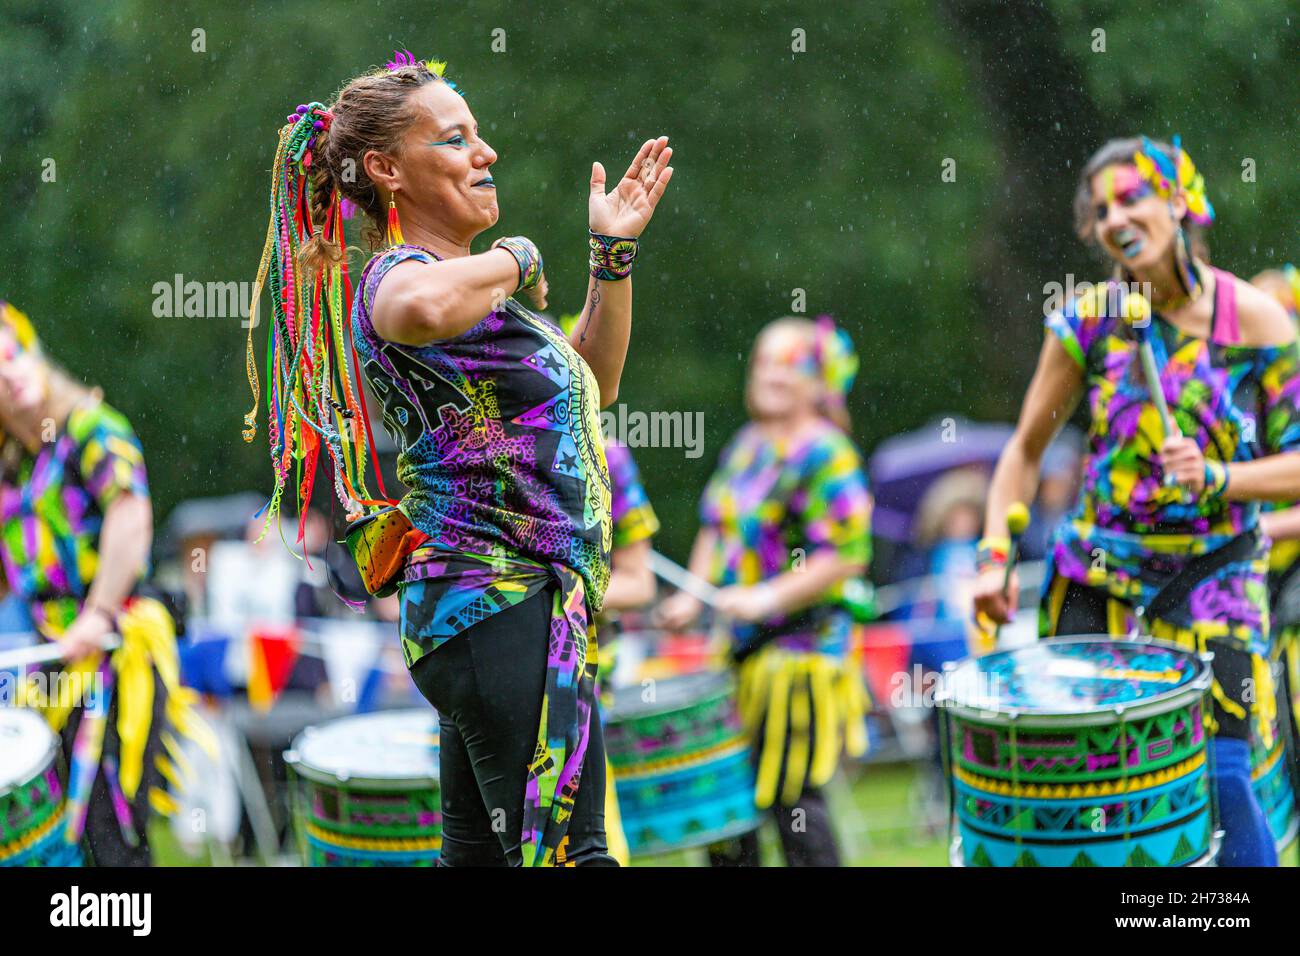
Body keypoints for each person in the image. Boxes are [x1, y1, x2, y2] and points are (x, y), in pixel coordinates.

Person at [246, 52, 672, 866]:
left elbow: (596, 376)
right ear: (385, 170)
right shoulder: (406, 275)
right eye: (455, 139)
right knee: (569, 855)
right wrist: (520, 255)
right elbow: (414, 307)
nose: (487, 153)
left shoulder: (472, 289)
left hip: (497, 609)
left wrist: (609, 256)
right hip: (496, 597)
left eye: (478, 135)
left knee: (479, 860)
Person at [973, 138, 1300, 866]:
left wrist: (1221, 479)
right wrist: (995, 552)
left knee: (1222, 775)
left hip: (1217, 582)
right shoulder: (1090, 320)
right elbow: (1024, 452)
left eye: (1131, 198)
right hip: (1097, 579)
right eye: (1101, 210)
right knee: (1094, 791)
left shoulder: (1258, 322)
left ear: (1179, 203)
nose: (1115, 216)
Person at [0, 299, 213, 866]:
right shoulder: (13, 472)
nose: (8, 373)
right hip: (52, 661)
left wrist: (96, 614)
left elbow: (130, 513)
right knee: (51, 834)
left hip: (117, 650)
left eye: (13, 354)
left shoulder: (91, 427)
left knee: (111, 829)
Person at [657, 315, 872, 866]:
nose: (771, 373)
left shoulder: (827, 453)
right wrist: (693, 592)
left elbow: (848, 555)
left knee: (792, 797)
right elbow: (716, 524)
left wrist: (767, 596)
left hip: (801, 656)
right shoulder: (748, 446)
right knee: (727, 801)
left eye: (789, 362)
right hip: (739, 653)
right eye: (763, 360)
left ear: (820, 381)